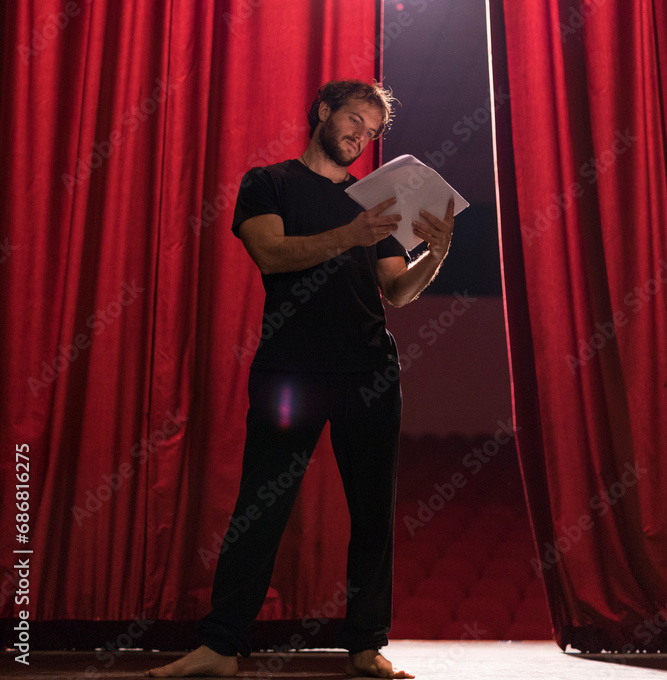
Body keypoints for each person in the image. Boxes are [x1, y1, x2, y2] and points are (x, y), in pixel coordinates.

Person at [147, 80, 455, 680]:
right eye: (354, 122)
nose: (361, 138)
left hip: (369, 371)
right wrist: (349, 235)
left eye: (371, 133)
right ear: (323, 112)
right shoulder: (270, 183)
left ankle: (367, 645)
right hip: (289, 370)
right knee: (260, 506)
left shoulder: (380, 200)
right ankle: (220, 647)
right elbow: (270, 254)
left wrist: (434, 257)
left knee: (373, 512)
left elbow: (395, 290)